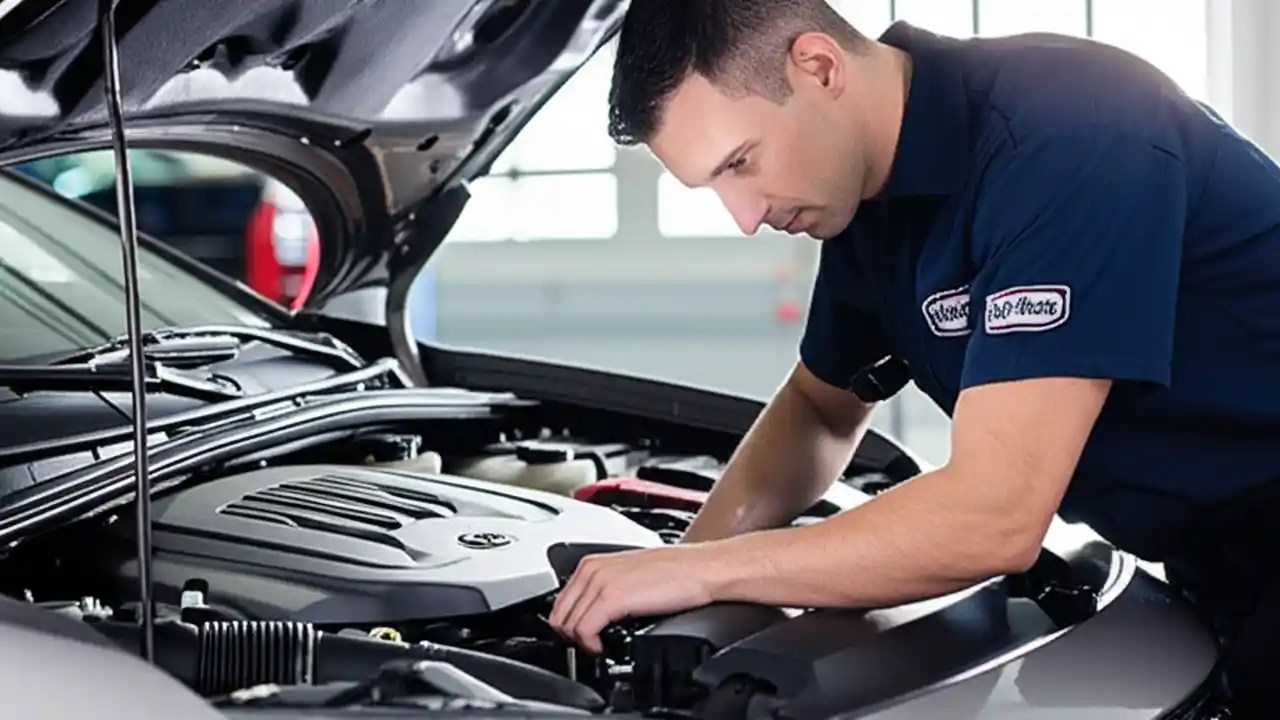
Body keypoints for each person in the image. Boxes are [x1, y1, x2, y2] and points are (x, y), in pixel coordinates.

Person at [548, 1, 1280, 713]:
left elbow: (996, 516)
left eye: (741, 162)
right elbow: (818, 412)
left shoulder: (1069, 134)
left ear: (818, 66)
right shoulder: (868, 202)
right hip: (1218, 565)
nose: (744, 218)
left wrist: (703, 573)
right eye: (712, 186)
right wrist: (670, 585)